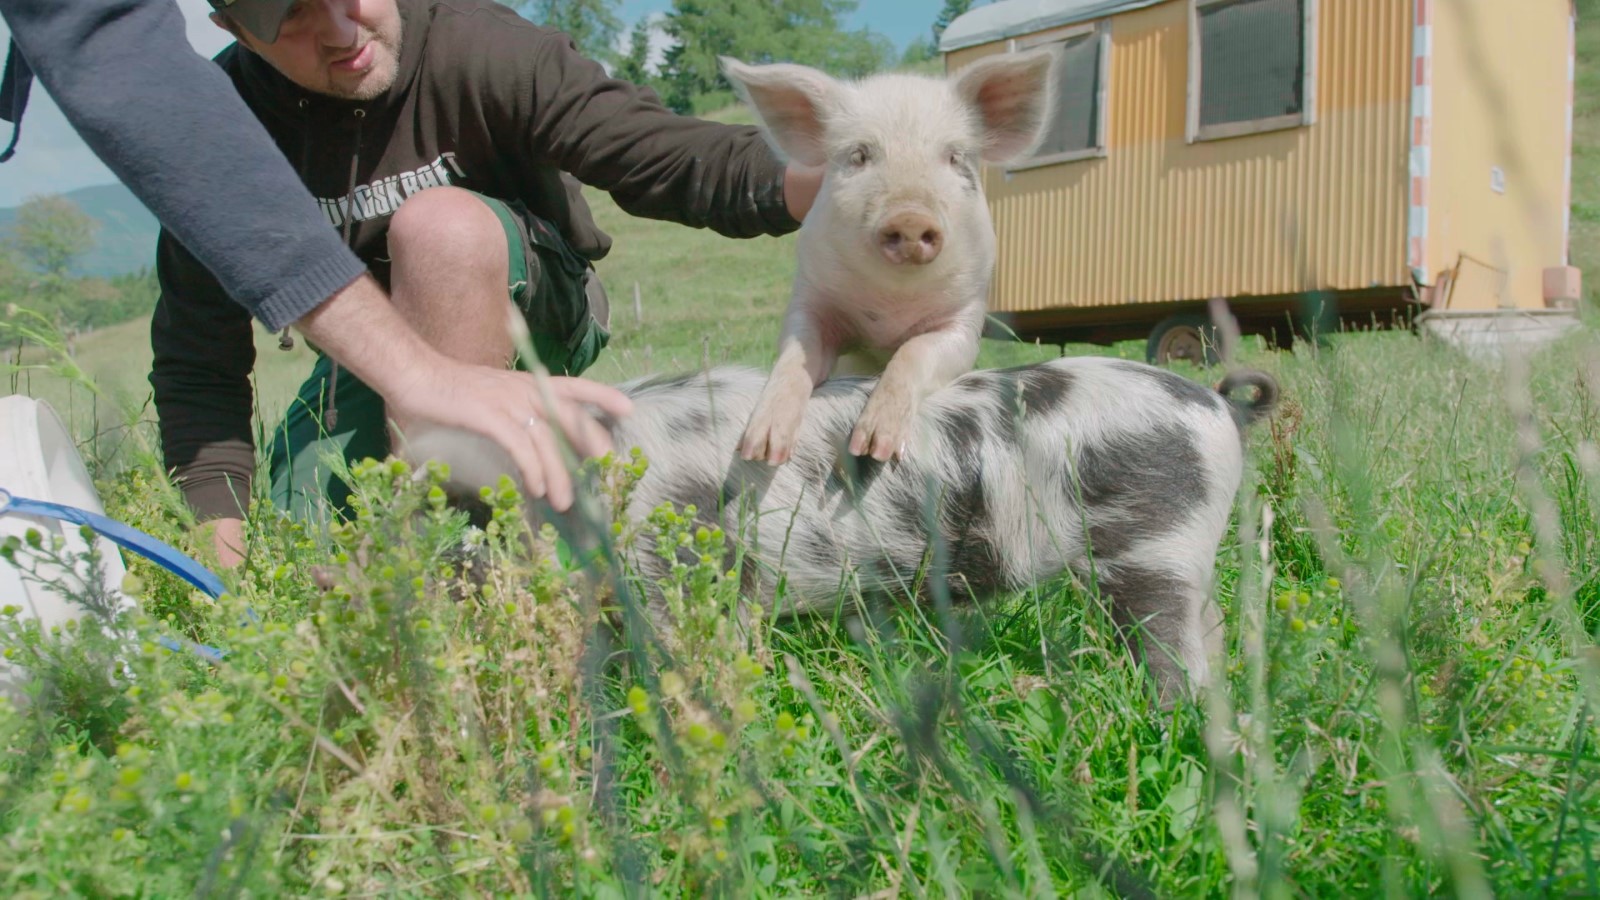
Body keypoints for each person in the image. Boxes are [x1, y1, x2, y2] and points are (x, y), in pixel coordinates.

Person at [0, 0, 645, 566]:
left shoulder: (480, 43)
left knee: (440, 230)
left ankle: (439, 555)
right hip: (379, 347)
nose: (339, 32)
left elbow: (658, 152)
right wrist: (223, 584)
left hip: (544, 306)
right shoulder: (224, 121)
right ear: (236, 29)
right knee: (305, 538)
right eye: (291, 14)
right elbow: (199, 361)